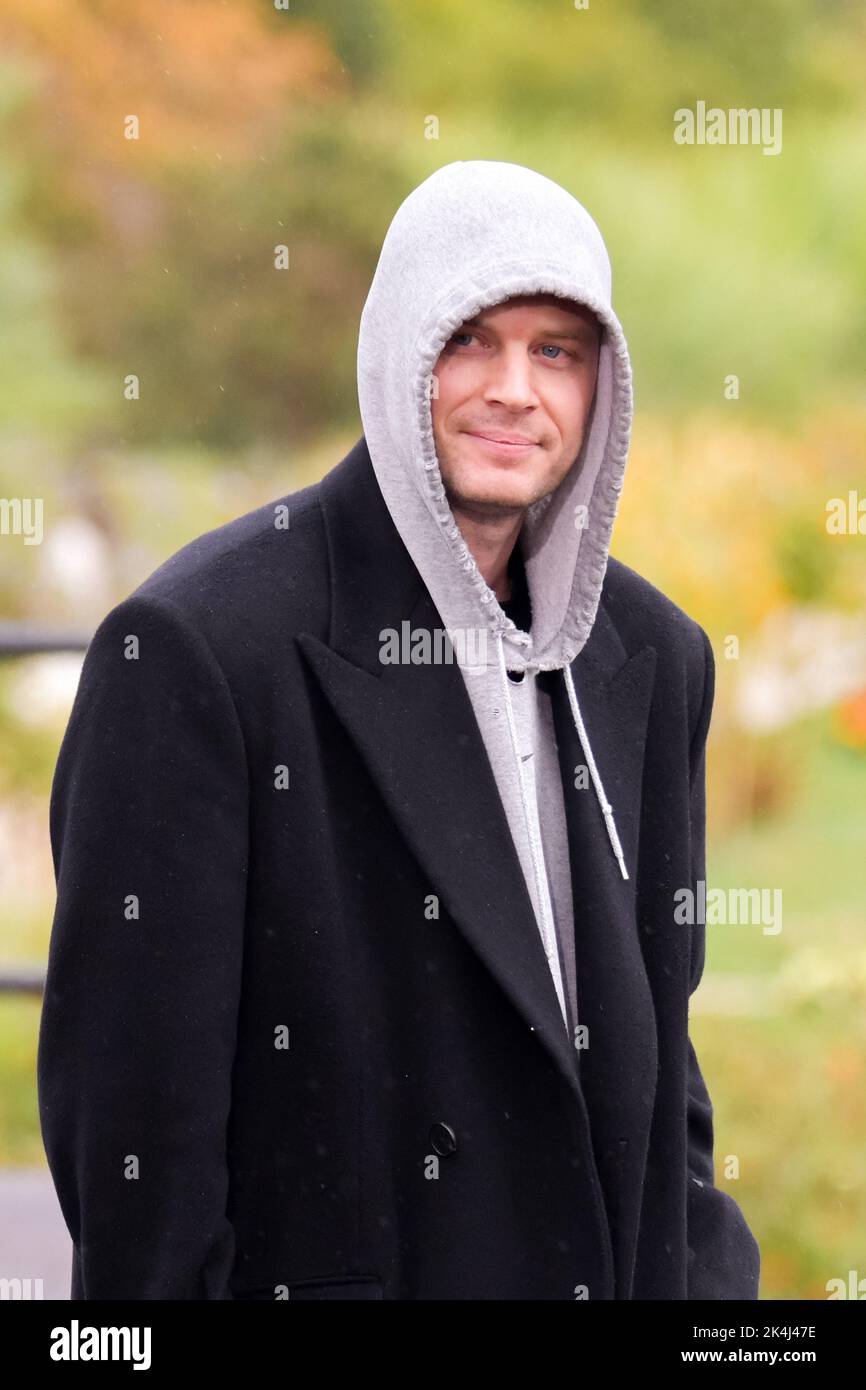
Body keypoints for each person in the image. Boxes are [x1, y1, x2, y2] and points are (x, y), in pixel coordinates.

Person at [37, 159, 761, 1300]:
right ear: (394, 354)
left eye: (555, 349)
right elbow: (136, 1145)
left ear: (599, 387)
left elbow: (661, 1073)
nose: (515, 389)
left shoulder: (650, 655)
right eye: (470, 339)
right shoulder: (200, 650)